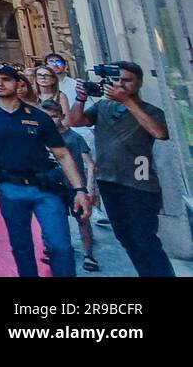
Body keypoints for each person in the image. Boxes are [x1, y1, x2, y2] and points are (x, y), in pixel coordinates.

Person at [0, 64, 91, 277]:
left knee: (60, 246)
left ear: (18, 83)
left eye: (5, 79)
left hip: (45, 187)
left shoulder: (39, 116)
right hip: (10, 187)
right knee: (21, 246)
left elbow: (62, 154)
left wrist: (80, 189)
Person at [68, 62, 174, 277]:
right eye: (117, 80)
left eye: (127, 81)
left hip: (140, 184)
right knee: (126, 238)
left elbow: (160, 133)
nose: (121, 85)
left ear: (139, 83)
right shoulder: (103, 107)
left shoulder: (151, 111)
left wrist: (126, 101)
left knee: (145, 240)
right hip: (109, 181)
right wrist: (80, 98)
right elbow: (75, 121)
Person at [40, 99, 99, 272]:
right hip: (51, 186)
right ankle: (54, 249)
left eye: (54, 116)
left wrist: (89, 187)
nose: (51, 121)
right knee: (53, 220)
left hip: (75, 187)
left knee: (83, 220)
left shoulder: (74, 137)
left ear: (62, 116)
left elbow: (90, 164)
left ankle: (89, 254)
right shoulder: (39, 137)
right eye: (47, 117)